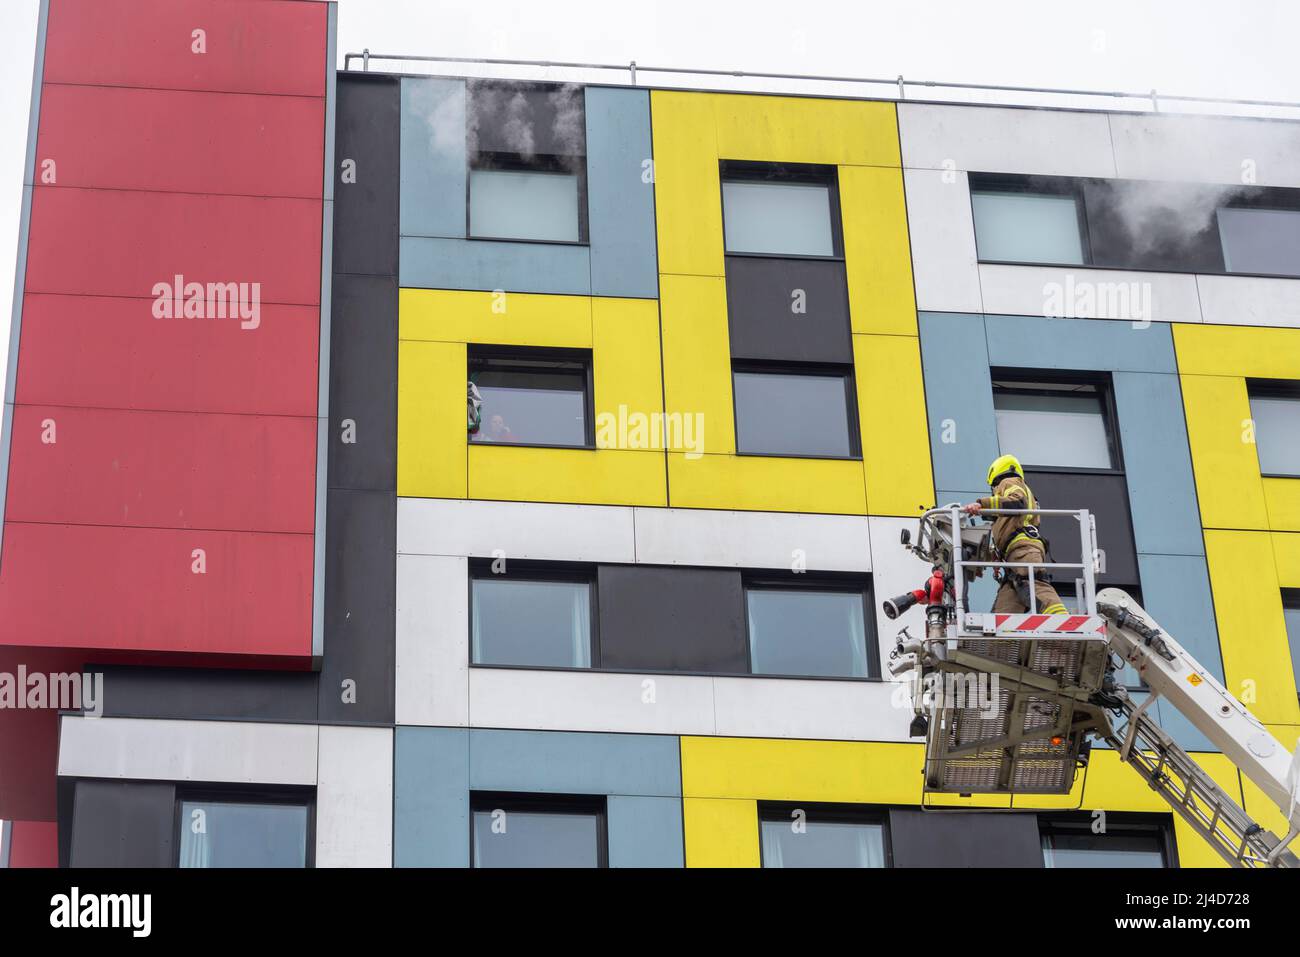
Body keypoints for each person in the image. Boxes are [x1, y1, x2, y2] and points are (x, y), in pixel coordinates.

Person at [963, 454, 1067, 615]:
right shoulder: (1005, 521)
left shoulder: (1009, 482)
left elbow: (1017, 502)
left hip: (1023, 551)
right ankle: (998, 638)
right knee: (1004, 609)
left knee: (1032, 582)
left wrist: (982, 504)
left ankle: (1062, 621)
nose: (994, 494)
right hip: (1013, 562)